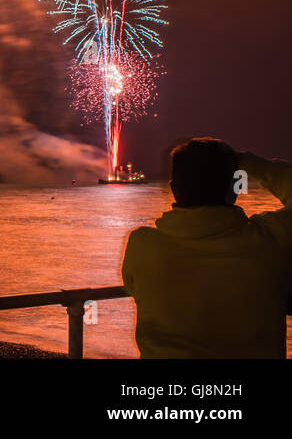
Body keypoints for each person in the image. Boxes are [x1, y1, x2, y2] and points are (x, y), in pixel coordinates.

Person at [121, 139, 292, 358]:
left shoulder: (142, 246)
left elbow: (134, 288)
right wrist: (251, 163)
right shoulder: (271, 238)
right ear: (235, 187)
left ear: (174, 190)